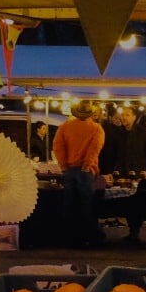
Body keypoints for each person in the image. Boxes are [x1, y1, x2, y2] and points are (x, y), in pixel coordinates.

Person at [54, 101, 107, 248]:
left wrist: (64, 166)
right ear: (91, 113)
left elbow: (58, 147)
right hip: (86, 172)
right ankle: (89, 239)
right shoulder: (97, 129)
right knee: (87, 206)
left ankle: (70, 239)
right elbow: (94, 150)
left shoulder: (65, 127)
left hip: (69, 170)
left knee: (69, 205)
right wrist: (86, 167)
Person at [121, 109, 146, 176]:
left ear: (134, 117)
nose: (124, 117)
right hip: (122, 175)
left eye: (127, 115)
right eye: (122, 115)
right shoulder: (118, 132)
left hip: (140, 174)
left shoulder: (143, 132)